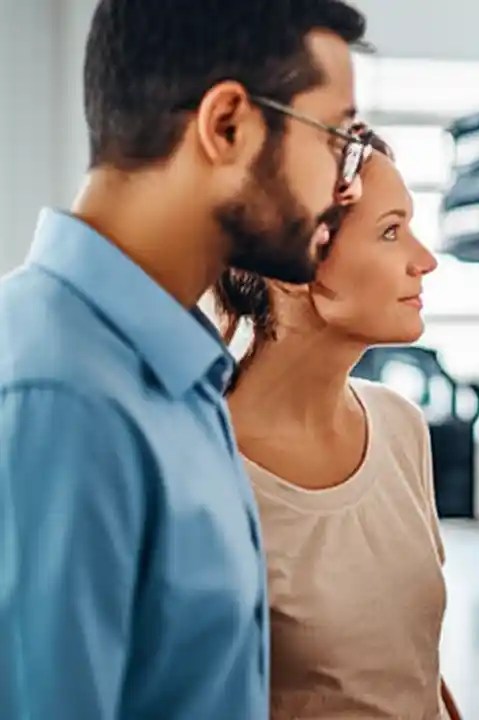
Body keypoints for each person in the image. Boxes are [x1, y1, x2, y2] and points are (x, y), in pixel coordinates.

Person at [0, 1, 370, 718]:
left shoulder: (178, 375)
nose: (345, 183)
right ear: (226, 124)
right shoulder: (58, 396)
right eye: (337, 138)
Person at [212, 134, 461, 720]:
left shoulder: (401, 427)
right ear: (294, 265)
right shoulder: (204, 468)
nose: (425, 260)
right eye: (391, 231)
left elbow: (415, 671)